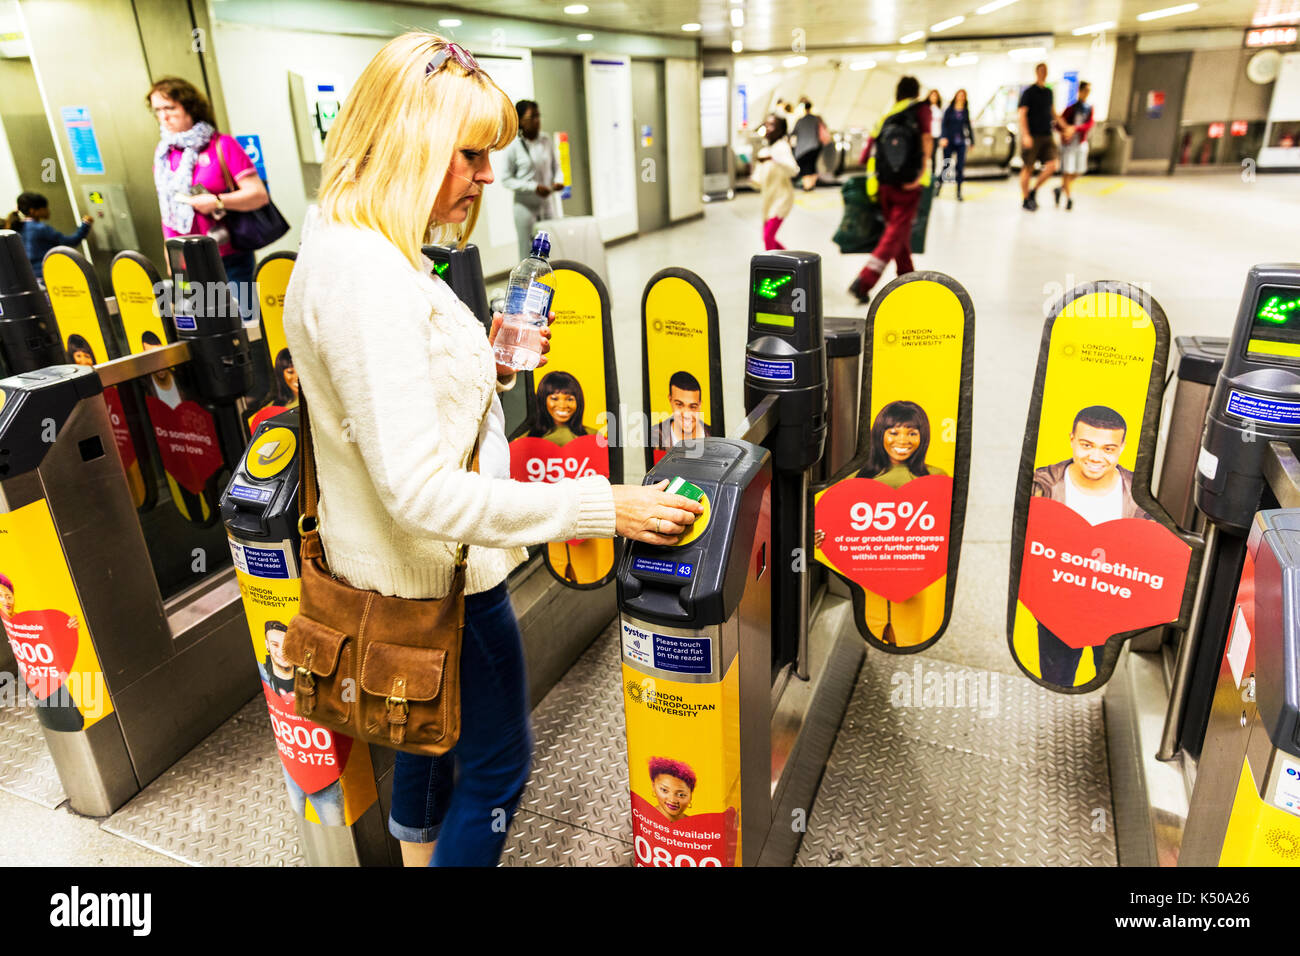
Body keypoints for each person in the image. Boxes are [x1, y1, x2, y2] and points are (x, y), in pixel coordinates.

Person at [281, 32, 702, 868]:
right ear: (409, 140)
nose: (485, 175)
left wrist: (486, 369)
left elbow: (391, 410)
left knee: (426, 740)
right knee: (500, 768)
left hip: (384, 580)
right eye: (470, 153)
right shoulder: (372, 276)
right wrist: (602, 505)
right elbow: (424, 491)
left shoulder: (337, 235)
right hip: (444, 581)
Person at [1031, 405, 1151, 685]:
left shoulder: (1141, 493)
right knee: (1055, 684)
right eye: (1087, 445)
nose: (1096, 457)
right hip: (1057, 611)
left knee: (1114, 684)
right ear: (1071, 438)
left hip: (1115, 612)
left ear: (1122, 447)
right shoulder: (1042, 484)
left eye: (1108, 449)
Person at [814, 401, 947, 646]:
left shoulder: (936, 478)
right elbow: (834, 524)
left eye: (912, 433)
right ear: (880, 434)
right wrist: (819, 539)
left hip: (913, 586)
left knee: (907, 636)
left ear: (923, 436)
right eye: (894, 432)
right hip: (867, 584)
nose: (903, 440)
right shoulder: (858, 477)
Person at [147, 76, 270, 318]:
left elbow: (258, 195)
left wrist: (217, 201)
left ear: (189, 107)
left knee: (245, 325)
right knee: (199, 330)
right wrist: (168, 252)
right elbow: (166, 209)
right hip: (185, 260)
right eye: (157, 110)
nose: (164, 117)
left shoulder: (222, 146)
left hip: (228, 257)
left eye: (170, 108)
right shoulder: (164, 154)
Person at [848, 76, 932, 305]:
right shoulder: (920, 110)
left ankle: (907, 279)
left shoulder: (887, 115)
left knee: (898, 234)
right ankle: (864, 280)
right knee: (894, 233)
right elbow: (926, 140)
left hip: (883, 184)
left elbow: (865, 156)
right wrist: (920, 173)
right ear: (915, 92)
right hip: (907, 184)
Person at [260, 620, 346, 826]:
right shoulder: (264, 673)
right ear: (266, 645)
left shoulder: (315, 676)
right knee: (301, 817)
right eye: (275, 645)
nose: (282, 651)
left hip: (325, 772)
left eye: (287, 644)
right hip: (292, 761)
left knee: (335, 825)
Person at [501, 99, 565, 260]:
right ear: (520, 121)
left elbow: (556, 167)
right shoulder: (513, 146)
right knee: (527, 252)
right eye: (532, 118)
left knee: (551, 246)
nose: (537, 121)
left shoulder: (546, 140)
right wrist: (533, 187)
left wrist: (558, 180)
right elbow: (506, 179)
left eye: (538, 116)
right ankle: (528, 284)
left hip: (547, 204)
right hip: (525, 207)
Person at [6, 192, 92, 283]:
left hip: (32, 279)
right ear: (33, 211)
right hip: (49, 275)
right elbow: (71, 241)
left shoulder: (17, 229)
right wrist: (85, 224)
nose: (48, 210)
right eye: (44, 208)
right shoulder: (40, 228)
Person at [1018, 63, 1071, 211]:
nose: (1043, 73)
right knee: (1028, 167)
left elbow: (1053, 112)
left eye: (1045, 71)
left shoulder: (1048, 92)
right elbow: (1022, 114)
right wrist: (1026, 135)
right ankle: (1025, 198)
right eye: (1041, 71)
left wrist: (1065, 127)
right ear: (1036, 72)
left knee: (1053, 165)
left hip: (1047, 134)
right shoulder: (1029, 92)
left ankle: (1034, 191)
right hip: (1032, 134)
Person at [753, 114, 799, 251]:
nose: (767, 128)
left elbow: (793, 170)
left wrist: (773, 159)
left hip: (781, 199)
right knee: (766, 237)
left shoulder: (782, 147)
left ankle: (774, 269)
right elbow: (759, 179)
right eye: (766, 125)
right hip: (769, 199)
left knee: (768, 237)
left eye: (772, 125)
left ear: (780, 130)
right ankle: (789, 262)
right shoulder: (766, 150)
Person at [1054, 81, 1095, 211]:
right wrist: (1066, 131)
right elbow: (1058, 124)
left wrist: (1075, 128)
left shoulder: (1089, 108)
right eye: (1085, 90)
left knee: (1078, 171)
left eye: (1089, 91)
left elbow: (1089, 124)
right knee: (1068, 171)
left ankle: (1060, 189)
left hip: (1081, 143)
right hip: (1069, 144)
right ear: (1080, 91)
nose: (1087, 93)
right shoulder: (1071, 108)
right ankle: (1069, 198)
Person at [650, 370, 713, 452]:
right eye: (679, 404)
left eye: (693, 407)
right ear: (670, 400)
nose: (686, 415)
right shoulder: (655, 436)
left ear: (700, 405)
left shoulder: (714, 434)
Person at [527, 370, 587, 446]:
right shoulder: (525, 439)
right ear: (542, 401)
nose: (562, 405)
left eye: (569, 399)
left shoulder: (594, 437)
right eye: (554, 399)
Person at [937, 89, 974, 201]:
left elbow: (968, 127)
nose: (961, 97)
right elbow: (944, 124)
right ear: (956, 96)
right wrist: (943, 137)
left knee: (960, 167)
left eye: (963, 96)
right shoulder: (949, 109)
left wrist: (972, 141)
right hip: (949, 141)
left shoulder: (965, 111)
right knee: (947, 166)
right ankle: (938, 186)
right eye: (959, 95)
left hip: (961, 142)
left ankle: (958, 192)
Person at [791, 98, 828, 192]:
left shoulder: (800, 120)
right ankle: (811, 185)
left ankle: (807, 186)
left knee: (805, 168)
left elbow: (793, 133)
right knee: (812, 166)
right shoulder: (816, 119)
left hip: (802, 149)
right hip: (815, 147)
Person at [649, 757, 695, 823]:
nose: (672, 800)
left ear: (690, 796)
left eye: (681, 795)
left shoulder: (694, 827)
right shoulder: (644, 817)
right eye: (664, 790)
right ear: (653, 786)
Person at [925, 90, 943, 185]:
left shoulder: (939, 110)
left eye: (935, 96)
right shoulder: (926, 109)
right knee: (926, 157)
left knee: (934, 158)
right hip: (928, 137)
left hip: (936, 136)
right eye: (932, 96)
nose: (934, 98)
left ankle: (932, 178)